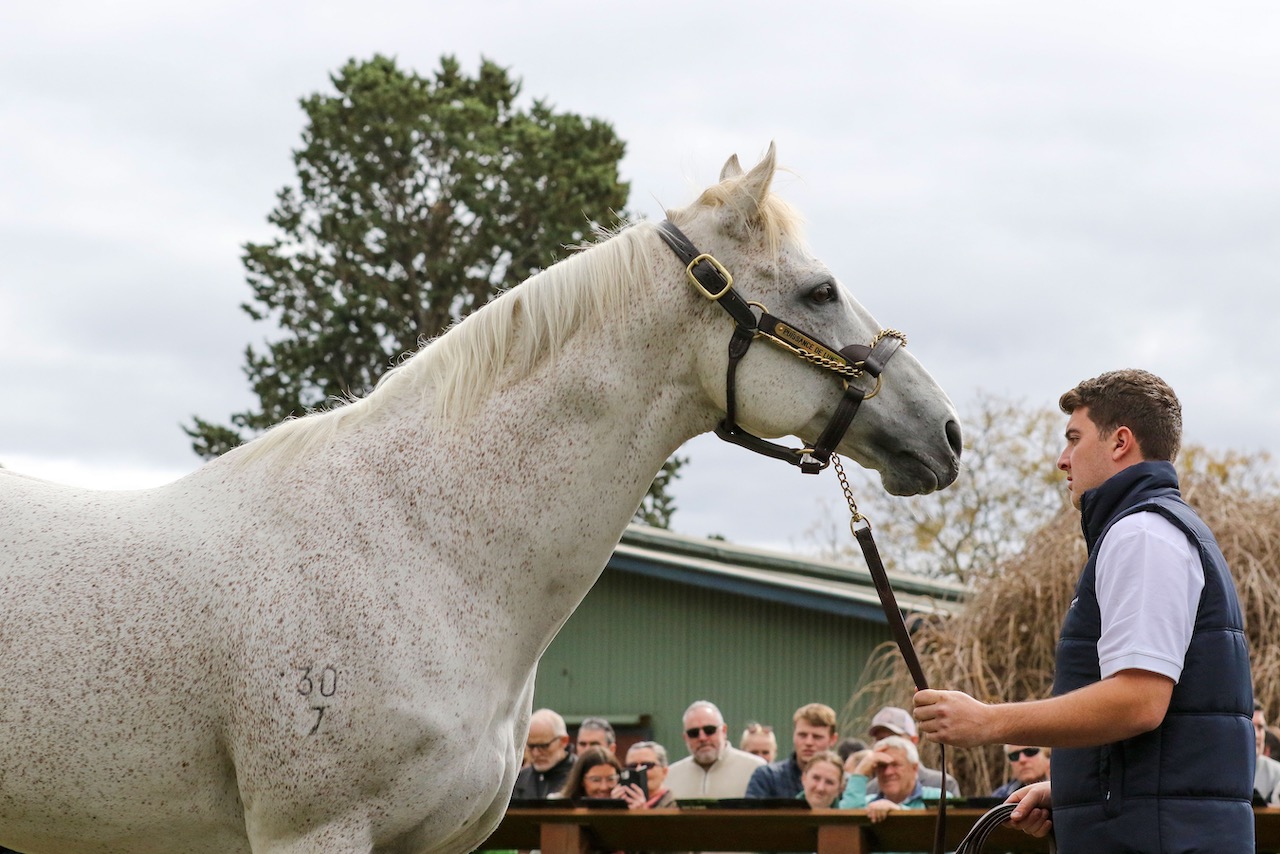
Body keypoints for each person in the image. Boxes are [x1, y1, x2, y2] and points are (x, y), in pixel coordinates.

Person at [913, 369, 1255, 852]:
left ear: (1120, 442)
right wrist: (1076, 792)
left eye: (1074, 439)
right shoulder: (1156, 530)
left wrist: (987, 722)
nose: (1062, 459)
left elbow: (1139, 701)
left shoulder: (1142, 534)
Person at [664, 700, 765, 799]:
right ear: (685, 738)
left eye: (709, 730)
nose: (702, 738)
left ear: (724, 731)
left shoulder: (755, 769)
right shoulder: (670, 776)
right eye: (693, 733)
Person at [837, 735, 953, 822]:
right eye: (881, 766)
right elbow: (845, 824)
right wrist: (860, 772)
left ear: (914, 768)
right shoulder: (867, 803)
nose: (888, 772)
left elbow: (947, 836)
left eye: (896, 765)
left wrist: (899, 813)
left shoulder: (939, 798)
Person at [746, 703, 839, 798]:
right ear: (794, 735)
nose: (809, 742)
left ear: (833, 739)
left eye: (817, 737)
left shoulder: (845, 783)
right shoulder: (767, 778)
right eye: (802, 735)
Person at [865, 706, 960, 797]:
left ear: (913, 741)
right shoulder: (871, 790)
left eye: (894, 738)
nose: (887, 744)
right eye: (880, 740)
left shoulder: (941, 784)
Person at [511, 708, 576, 800]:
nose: (536, 753)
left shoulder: (582, 777)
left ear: (563, 741)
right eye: (531, 746)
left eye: (544, 746)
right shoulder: (518, 780)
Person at [612, 740, 678, 809]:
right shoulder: (622, 800)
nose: (638, 770)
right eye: (632, 766)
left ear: (664, 772)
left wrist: (643, 814)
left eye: (647, 765)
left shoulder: (676, 805)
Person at [556, 746, 624, 801]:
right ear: (581, 780)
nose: (604, 787)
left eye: (610, 779)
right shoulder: (560, 807)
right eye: (596, 780)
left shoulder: (627, 808)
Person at [1254, 700, 1280, 805]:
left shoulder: (1277, 774)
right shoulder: (1222, 771)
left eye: (1260, 727)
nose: (1256, 735)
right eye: (1251, 726)